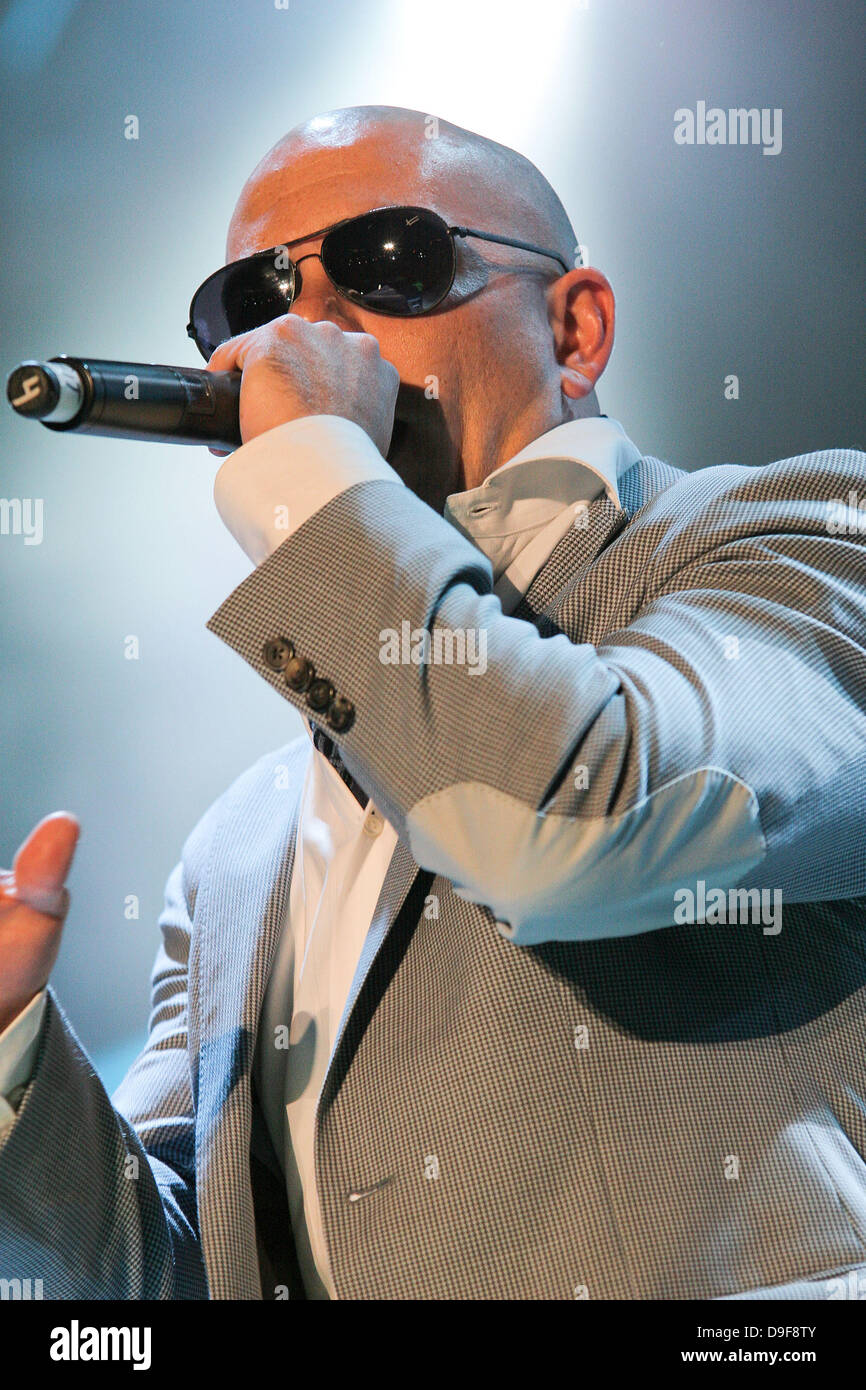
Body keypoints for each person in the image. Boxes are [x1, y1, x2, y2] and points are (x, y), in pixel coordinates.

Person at [2, 105, 866, 1301]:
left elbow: (581, 820)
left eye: (387, 259)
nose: (310, 324)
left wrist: (306, 477)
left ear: (575, 328)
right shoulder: (234, 851)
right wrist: (13, 1060)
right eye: (254, 301)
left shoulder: (796, 534)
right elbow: (154, 1283)